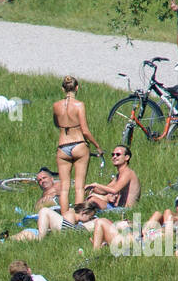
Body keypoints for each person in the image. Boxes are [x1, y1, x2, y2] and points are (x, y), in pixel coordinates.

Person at [52, 76, 101, 213]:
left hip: (62, 146)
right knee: (79, 187)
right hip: (79, 144)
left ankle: (64, 220)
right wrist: (97, 146)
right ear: (77, 88)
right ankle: (79, 217)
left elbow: (56, 123)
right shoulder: (80, 105)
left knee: (64, 188)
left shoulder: (56, 105)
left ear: (62, 89)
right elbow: (85, 130)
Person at [85, 145, 139, 210]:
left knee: (93, 200)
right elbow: (104, 191)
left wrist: (96, 184)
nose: (114, 157)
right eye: (113, 155)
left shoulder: (127, 173)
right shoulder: (119, 175)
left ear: (126, 157)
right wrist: (91, 188)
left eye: (118, 154)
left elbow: (114, 190)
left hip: (127, 210)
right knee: (90, 198)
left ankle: (81, 218)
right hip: (118, 208)